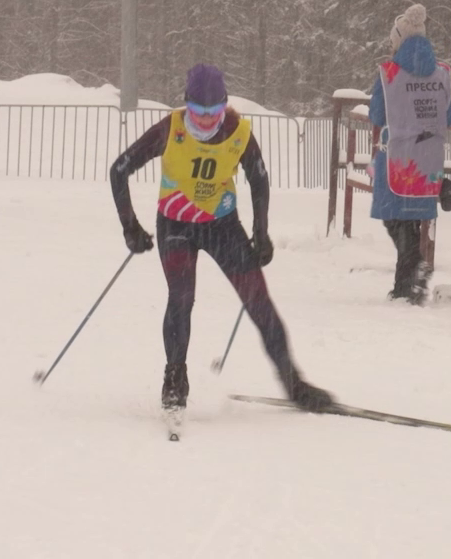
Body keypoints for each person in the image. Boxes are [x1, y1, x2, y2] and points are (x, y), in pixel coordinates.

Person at [109, 63, 334, 414]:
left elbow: (259, 180)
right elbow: (119, 169)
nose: (204, 120)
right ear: (186, 104)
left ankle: (294, 383)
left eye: (213, 111)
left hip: (221, 226)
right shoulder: (170, 128)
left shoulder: (238, 130)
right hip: (176, 225)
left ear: (225, 105)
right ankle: (175, 378)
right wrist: (130, 227)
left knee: (258, 300)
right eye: (197, 111)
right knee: (181, 298)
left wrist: (261, 232)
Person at [369, 4, 451, 305]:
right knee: (410, 219)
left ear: (398, 40)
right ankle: (405, 286)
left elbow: (378, 114)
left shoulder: (389, 74)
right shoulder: (442, 73)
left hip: (397, 156)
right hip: (429, 156)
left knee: (394, 217)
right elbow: (450, 116)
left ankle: (414, 267)